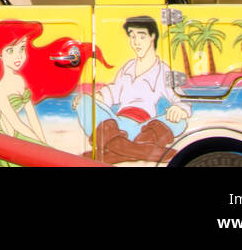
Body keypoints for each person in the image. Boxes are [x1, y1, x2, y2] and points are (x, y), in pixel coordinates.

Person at [73, 16, 191, 164]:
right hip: (116, 125)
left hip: (144, 128)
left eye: (141, 36)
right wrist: (91, 99)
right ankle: (133, 149)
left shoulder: (163, 70)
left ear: (152, 37)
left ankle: (117, 150)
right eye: (132, 36)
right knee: (83, 101)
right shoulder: (128, 67)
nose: (136, 42)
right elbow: (113, 92)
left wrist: (180, 109)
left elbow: (181, 99)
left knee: (180, 122)